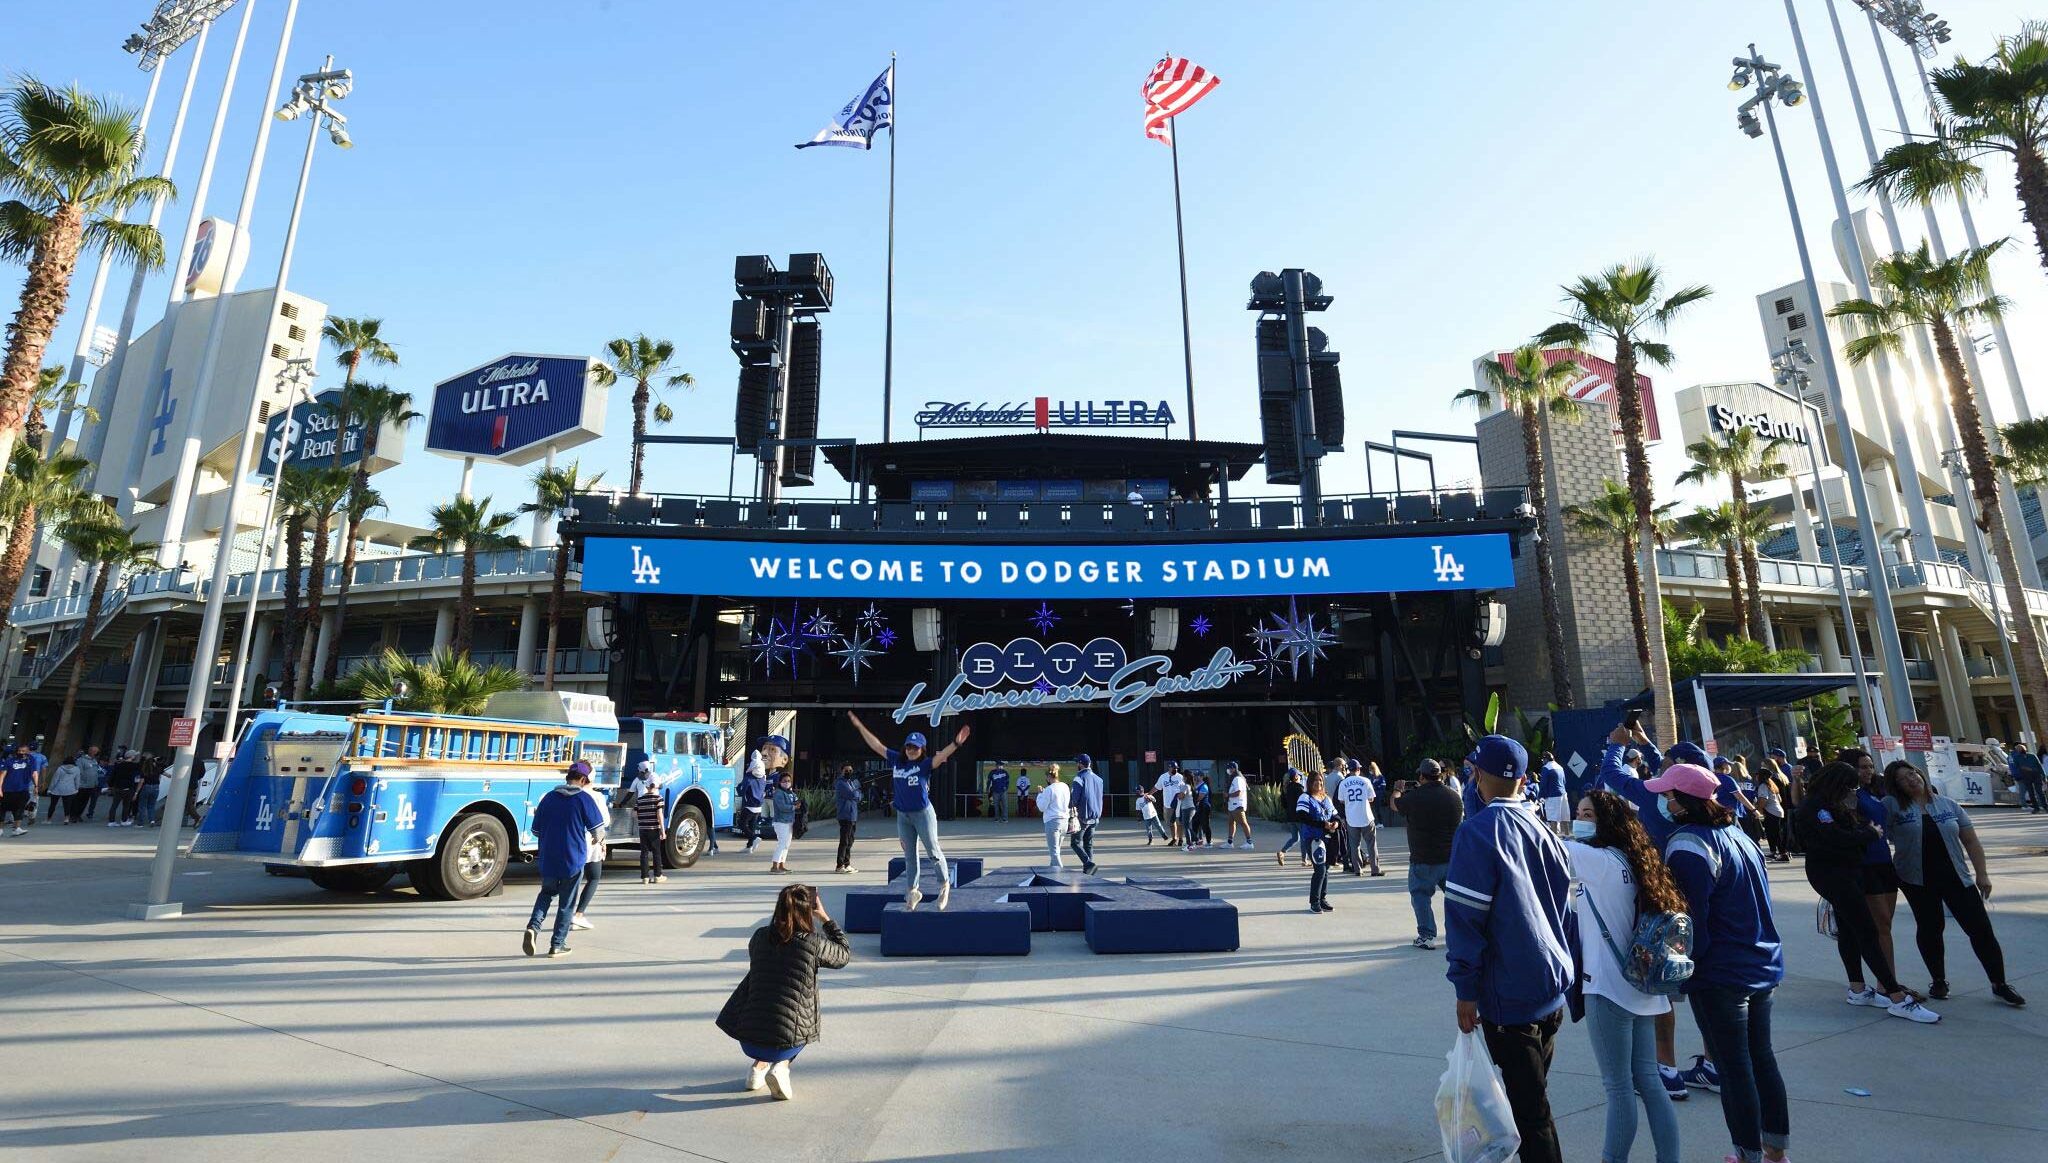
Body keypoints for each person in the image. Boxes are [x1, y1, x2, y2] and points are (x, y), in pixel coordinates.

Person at [1645, 762, 1791, 1163]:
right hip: (1761, 962)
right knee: (1761, 1058)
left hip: (1722, 972)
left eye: (1668, 795)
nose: (1663, 802)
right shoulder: (1736, 835)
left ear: (1682, 801)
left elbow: (1692, 924)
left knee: (1734, 1066)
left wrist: (1680, 969)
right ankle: (1775, 1151)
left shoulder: (1689, 844)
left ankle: (1747, 1154)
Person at [1445, 735, 1573, 1163]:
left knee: (1531, 1116)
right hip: (1551, 988)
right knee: (1531, 1101)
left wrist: (1465, 988)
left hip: (1509, 997)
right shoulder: (1544, 830)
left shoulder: (1476, 834)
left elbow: (1466, 920)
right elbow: (1565, 914)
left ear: (1477, 775)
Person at [1565, 790, 1683, 1163]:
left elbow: (1540, 842)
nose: (1579, 820)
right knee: (1649, 1081)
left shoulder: (1596, 861)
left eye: (1588, 814)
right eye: (1578, 812)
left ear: (1607, 822)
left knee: (1617, 1088)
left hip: (1607, 988)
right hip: (1642, 987)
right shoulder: (1636, 860)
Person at [1792, 762, 1939, 1023]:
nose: (1852, 791)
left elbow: (1850, 829)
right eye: (1849, 786)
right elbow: (1837, 837)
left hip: (1845, 871)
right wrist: (1869, 834)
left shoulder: (1830, 804)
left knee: (1848, 931)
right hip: (1833, 874)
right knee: (1866, 931)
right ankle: (1896, 997)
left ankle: (1858, 989)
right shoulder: (1816, 807)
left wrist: (1863, 832)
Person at [1882, 760, 2025, 1007]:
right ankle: (1938, 980)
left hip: (1956, 876)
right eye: (1903, 779)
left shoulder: (1948, 805)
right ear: (1897, 787)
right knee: (1930, 929)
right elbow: (1875, 834)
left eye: (1912, 773)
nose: (1911, 779)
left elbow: (1971, 842)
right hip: (1916, 880)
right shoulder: (1892, 807)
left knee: (1981, 930)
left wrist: (1982, 874)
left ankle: (1999, 984)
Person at [716, 882, 852, 1101]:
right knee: (798, 1016)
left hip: (748, 1038)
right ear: (809, 910)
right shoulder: (813, 943)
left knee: (770, 999)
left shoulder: (760, 937)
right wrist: (825, 918)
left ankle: (756, 1070)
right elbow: (843, 954)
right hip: (786, 1043)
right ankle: (781, 1067)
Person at [847, 714, 970, 911]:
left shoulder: (925, 765)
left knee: (933, 852)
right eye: (909, 747)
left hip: (923, 814)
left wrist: (956, 743)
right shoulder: (897, 759)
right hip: (903, 816)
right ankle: (913, 891)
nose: (911, 750)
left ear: (922, 749)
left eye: (916, 747)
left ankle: (944, 885)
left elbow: (941, 756)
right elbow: (877, 746)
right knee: (909, 856)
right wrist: (860, 726)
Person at [523, 761, 606, 957]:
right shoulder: (584, 799)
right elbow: (598, 830)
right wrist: (597, 840)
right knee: (567, 902)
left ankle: (533, 927)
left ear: (567, 777)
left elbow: (535, 830)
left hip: (548, 858)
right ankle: (557, 944)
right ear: (584, 780)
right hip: (573, 858)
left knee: (546, 893)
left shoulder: (549, 798)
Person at [1836, 747, 1901, 973]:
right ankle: (1888, 984)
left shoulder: (1875, 791)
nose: (1868, 771)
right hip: (1865, 865)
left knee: (1885, 925)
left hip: (1885, 862)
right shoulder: (1848, 795)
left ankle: (1889, 981)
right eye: (1863, 767)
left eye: (1870, 766)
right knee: (1880, 925)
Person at [1394, 759, 1463, 950]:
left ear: (1422, 776)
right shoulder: (1454, 796)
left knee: (1421, 896)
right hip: (1450, 858)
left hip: (1423, 858)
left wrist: (1398, 789)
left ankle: (1427, 935)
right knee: (1456, 898)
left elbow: (1395, 805)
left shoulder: (1415, 797)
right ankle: (1461, 933)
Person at [572, 765, 611, 931]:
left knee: (572, 880)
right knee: (594, 877)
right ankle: (579, 914)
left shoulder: (564, 794)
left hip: (572, 841)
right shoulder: (596, 796)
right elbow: (604, 821)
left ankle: (567, 915)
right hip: (591, 842)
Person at [1295, 771, 1338, 913]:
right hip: (1313, 838)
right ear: (1309, 782)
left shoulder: (1326, 798)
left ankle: (1322, 898)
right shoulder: (1305, 797)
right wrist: (1322, 825)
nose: (1318, 783)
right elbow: (1302, 817)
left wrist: (1335, 823)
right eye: (1315, 780)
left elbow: (1335, 815)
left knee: (1326, 870)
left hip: (1328, 838)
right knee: (1320, 869)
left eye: (1320, 780)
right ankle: (1314, 901)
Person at [623, 760, 668, 884]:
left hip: (643, 828)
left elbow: (634, 813)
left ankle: (645, 877)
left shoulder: (640, 799)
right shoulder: (659, 798)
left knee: (644, 853)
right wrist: (662, 830)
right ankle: (658, 875)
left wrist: (641, 820)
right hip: (654, 828)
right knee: (656, 852)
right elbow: (659, 814)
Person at [1336, 759, 1382, 876]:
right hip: (1366, 816)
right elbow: (1371, 798)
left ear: (1348, 770)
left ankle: (1358, 869)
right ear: (1359, 769)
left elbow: (1341, 800)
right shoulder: (1365, 780)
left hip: (1351, 817)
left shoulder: (1343, 783)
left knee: (1354, 845)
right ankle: (1375, 869)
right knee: (1371, 844)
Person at [1070, 754, 1103, 873]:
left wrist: (1070, 808)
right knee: (1088, 844)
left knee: (1075, 843)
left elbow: (1074, 798)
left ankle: (1088, 863)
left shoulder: (1079, 778)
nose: (1076, 765)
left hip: (1082, 817)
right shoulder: (1099, 779)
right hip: (1095, 816)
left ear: (1080, 764)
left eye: (1077, 763)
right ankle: (1088, 871)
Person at [1754, 754, 1789, 863]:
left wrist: (1759, 810)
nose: (1755, 777)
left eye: (1757, 775)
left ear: (1760, 776)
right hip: (1778, 810)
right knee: (1776, 833)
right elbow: (1780, 799)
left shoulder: (1763, 786)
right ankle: (1777, 852)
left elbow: (1763, 799)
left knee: (1774, 833)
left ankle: (1783, 854)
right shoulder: (1772, 784)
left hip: (1772, 812)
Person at [1036, 764, 1070, 870]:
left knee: (1054, 853)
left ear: (1048, 777)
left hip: (1052, 822)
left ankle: (1061, 874)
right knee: (1057, 850)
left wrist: (1040, 794)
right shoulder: (1065, 786)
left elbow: (1041, 807)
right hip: (1064, 821)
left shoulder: (1049, 789)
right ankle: (1052, 872)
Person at [766, 769, 800, 874]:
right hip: (781, 822)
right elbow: (782, 807)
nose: (787, 782)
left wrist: (798, 804)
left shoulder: (791, 793)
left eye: (788, 780)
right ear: (780, 782)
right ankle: (774, 866)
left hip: (790, 821)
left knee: (786, 844)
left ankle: (781, 865)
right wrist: (794, 807)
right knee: (781, 843)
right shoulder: (779, 793)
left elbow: (796, 801)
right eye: (784, 781)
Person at [1, 743, 37, 837]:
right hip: (8, 789)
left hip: (23, 789)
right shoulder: (10, 761)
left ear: (28, 752)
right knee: (2, 809)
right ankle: (0, 829)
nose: (21, 753)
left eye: (23, 751)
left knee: (19, 809)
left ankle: (16, 828)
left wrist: (36, 786)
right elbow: (3, 774)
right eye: (19, 751)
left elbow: (34, 773)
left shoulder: (31, 760)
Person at [1276, 760, 1306, 866]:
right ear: (1296, 777)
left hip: (1290, 817)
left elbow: (1283, 804)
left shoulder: (1285, 789)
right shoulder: (1299, 788)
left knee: (1295, 838)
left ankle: (1282, 852)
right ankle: (1304, 860)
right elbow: (1304, 802)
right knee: (1303, 838)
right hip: (1299, 817)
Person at [833, 764, 862, 874]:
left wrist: (857, 793)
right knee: (844, 841)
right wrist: (857, 792)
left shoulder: (850, 782)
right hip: (845, 815)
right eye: (846, 770)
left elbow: (859, 796)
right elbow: (852, 794)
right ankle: (840, 865)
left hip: (852, 815)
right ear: (842, 771)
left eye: (850, 770)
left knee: (850, 841)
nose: (849, 772)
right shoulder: (841, 783)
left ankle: (847, 863)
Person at [738, 754, 768, 855]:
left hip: (749, 805)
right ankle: (749, 846)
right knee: (752, 826)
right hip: (759, 806)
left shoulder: (749, 777)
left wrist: (739, 788)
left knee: (741, 824)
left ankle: (754, 838)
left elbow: (741, 790)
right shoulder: (763, 778)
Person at [2009, 739, 2048, 813]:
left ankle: (2045, 806)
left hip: (2036, 775)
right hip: (2026, 776)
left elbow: (2039, 766)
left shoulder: (2032, 756)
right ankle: (2036, 808)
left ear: (2024, 749)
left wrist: (2044, 776)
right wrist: (2022, 769)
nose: (2019, 750)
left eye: (2021, 749)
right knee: (2031, 792)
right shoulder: (2016, 758)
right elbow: (2017, 766)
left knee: (2040, 792)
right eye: (2018, 749)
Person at [1537, 751, 1569, 836]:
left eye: (1543, 759)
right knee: (1564, 817)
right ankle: (1567, 836)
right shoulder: (1560, 767)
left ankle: (1555, 839)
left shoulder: (1546, 768)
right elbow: (1564, 782)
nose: (1542, 761)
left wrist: (1539, 797)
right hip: (1564, 794)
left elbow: (1543, 784)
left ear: (1546, 759)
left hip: (1553, 797)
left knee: (1553, 819)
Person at [1155, 762, 1187, 847]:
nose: (1175, 770)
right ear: (1169, 768)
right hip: (1168, 804)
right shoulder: (1163, 777)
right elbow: (1157, 787)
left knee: (1179, 822)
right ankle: (1174, 838)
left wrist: (1183, 794)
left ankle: (1180, 839)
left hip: (1179, 803)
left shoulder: (1180, 777)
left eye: (1176, 768)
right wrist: (1149, 794)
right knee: (1171, 823)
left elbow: (1185, 788)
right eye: (1174, 768)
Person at [104, 747, 137, 827]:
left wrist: (111, 785)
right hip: (129, 787)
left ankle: (111, 821)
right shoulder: (134, 766)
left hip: (118, 787)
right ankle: (124, 820)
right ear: (132, 756)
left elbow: (113, 776)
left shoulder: (118, 765)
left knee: (114, 804)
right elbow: (135, 778)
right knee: (126, 805)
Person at [1224, 761, 1254, 849]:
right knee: (1231, 823)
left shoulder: (1237, 779)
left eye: (1229, 768)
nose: (1228, 770)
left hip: (1237, 805)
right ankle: (1230, 842)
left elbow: (1239, 792)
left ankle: (1249, 842)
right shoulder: (1233, 778)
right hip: (1232, 805)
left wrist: (1228, 795)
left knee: (1243, 823)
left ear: (1233, 769)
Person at [45, 755, 80, 824]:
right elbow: (77, 780)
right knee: (67, 805)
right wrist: (77, 788)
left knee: (53, 804)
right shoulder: (77, 769)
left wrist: (50, 789)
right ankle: (66, 819)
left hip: (57, 789)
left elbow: (55, 780)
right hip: (70, 789)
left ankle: (49, 819)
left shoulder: (60, 768)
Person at [132, 752, 162, 829]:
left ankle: (140, 823)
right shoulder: (157, 769)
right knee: (151, 805)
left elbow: (141, 781)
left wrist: (136, 792)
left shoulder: (145, 770)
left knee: (142, 806)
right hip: (156, 787)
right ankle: (152, 820)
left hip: (146, 787)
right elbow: (166, 775)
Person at [1190, 772, 1213, 848]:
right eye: (1195, 775)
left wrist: (1193, 800)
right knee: (1195, 824)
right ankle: (1194, 841)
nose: (1196, 777)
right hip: (1197, 808)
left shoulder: (1204, 786)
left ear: (1202, 777)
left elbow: (1200, 797)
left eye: (1198, 776)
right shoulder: (1195, 786)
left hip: (1204, 808)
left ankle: (1209, 842)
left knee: (1205, 825)